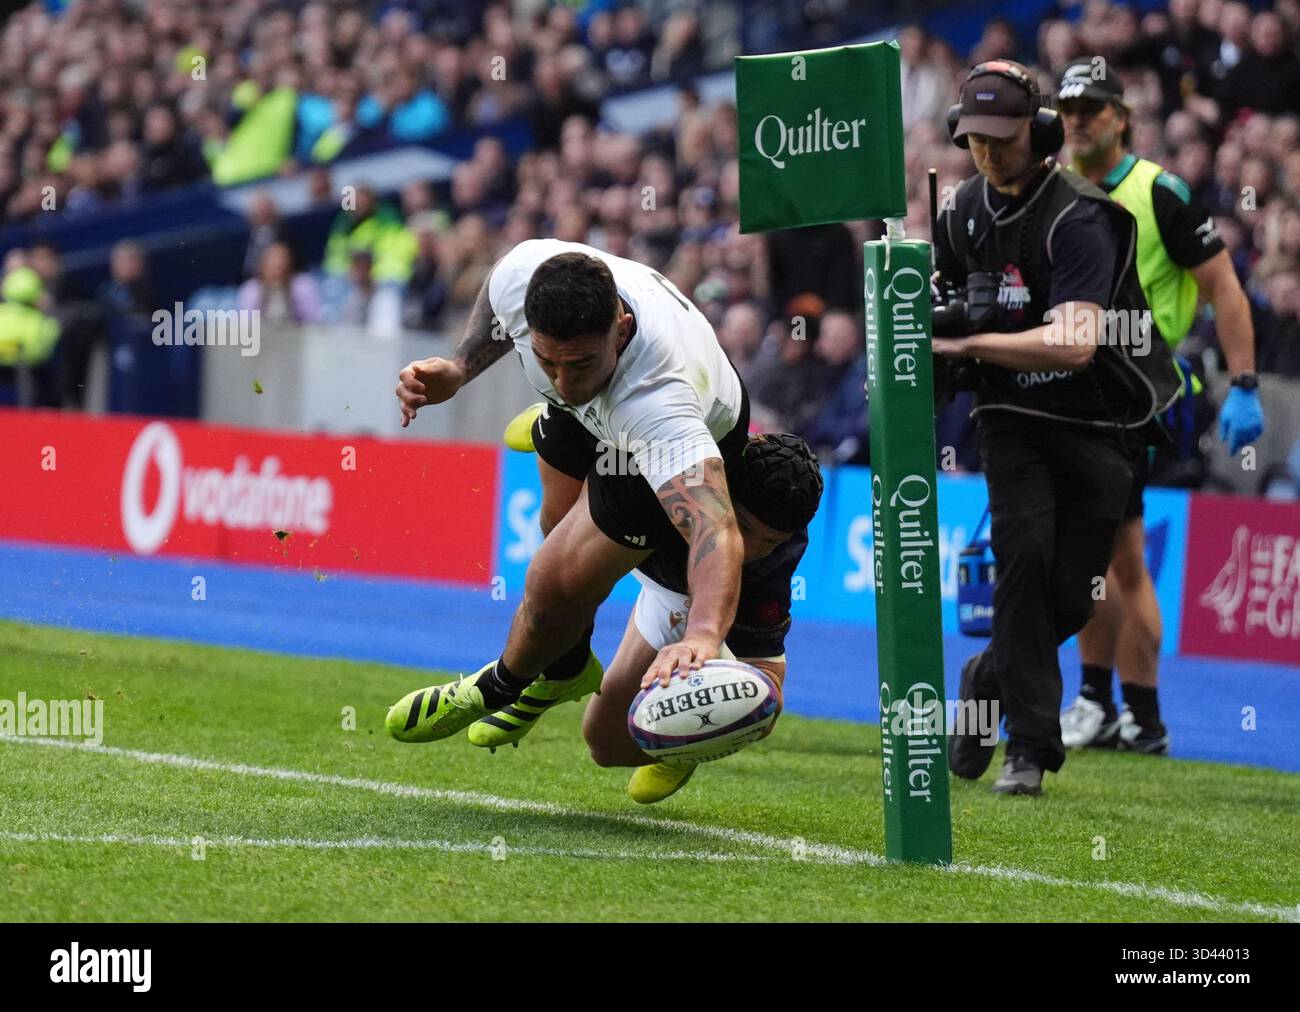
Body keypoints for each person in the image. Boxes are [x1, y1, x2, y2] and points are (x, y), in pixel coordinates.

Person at [386, 239, 750, 747]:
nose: (562, 380)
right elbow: (496, 295)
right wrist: (460, 368)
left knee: (551, 583)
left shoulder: (658, 402)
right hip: (592, 417)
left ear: (620, 329)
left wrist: (703, 635)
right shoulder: (522, 274)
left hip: (654, 433)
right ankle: (568, 666)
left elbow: (715, 527)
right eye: (545, 360)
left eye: (578, 363)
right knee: (553, 526)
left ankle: (498, 686)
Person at [933, 61, 1182, 796]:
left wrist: (968, 345)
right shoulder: (957, 213)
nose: (988, 153)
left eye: (1003, 139)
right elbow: (945, 310)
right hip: (1009, 416)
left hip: (1099, 414)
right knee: (1021, 559)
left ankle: (989, 674)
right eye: (975, 140)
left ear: (1039, 134)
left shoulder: (1083, 216)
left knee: (1075, 594)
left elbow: (1074, 343)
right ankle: (1029, 752)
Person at [1055, 60, 1264, 755]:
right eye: (1069, 107)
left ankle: (1110, 706)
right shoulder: (1051, 187)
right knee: (1104, 551)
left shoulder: (1159, 192)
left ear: (1121, 116)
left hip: (1138, 392)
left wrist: (1245, 385)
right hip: (1069, 390)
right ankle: (1129, 714)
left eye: (1092, 107)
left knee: (1113, 551)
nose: (1079, 118)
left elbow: (1225, 289)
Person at [583, 433, 822, 804]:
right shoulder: (673, 468)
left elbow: (768, 686)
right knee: (603, 744)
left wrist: (710, 716)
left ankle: (685, 749)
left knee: (761, 711)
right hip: (663, 577)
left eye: (772, 541)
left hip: (701, 602)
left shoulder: (769, 565)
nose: (751, 550)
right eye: (743, 528)